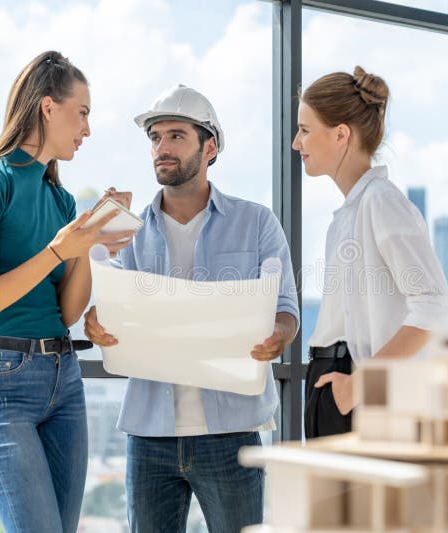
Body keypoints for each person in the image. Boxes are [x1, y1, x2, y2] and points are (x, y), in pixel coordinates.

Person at [83, 84, 300, 533]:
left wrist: (279, 333)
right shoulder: (129, 233)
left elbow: (285, 308)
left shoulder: (256, 222)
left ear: (210, 147)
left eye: (176, 136)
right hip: (150, 435)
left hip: (232, 433)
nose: (162, 147)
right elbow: (104, 306)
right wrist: (96, 322)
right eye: (155, 137)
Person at [0, 51, 134, 533]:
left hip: (64, 379)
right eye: (84, 112)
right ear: (48, 108)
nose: (88, 129)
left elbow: (68, 310)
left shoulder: (61, 199)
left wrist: (92, 242)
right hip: (1, 384)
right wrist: (57, 251)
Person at [293, 66, 448, 439]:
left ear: (341, 135)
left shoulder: (381, 202)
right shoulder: (351, 211)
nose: (296, 143)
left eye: (304, 130)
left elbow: (435, 307)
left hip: (352, 389)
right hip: (334, 384)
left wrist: (357, 385)